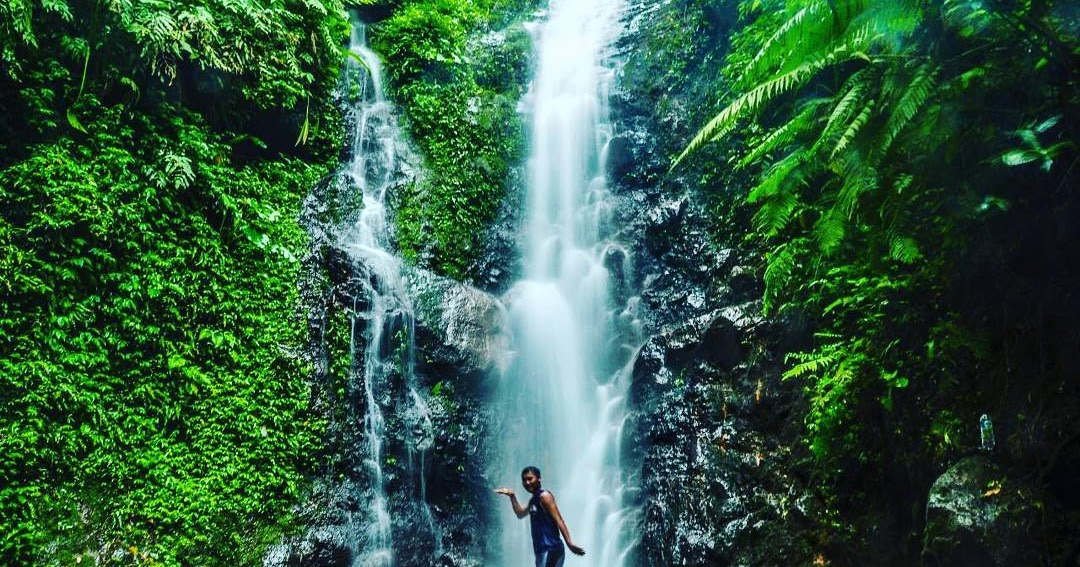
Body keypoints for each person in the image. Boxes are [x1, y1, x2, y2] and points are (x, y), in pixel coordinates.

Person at [495, 466, 585, 567]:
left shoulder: (545, 496)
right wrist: (512, 496)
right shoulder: (533, 500)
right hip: (542, 551)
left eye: (530, 479)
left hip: (551, 549)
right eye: (524, 480)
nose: (527, 482)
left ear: (539, 479)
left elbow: (559, 520)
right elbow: (520, 513)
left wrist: (569, 544)